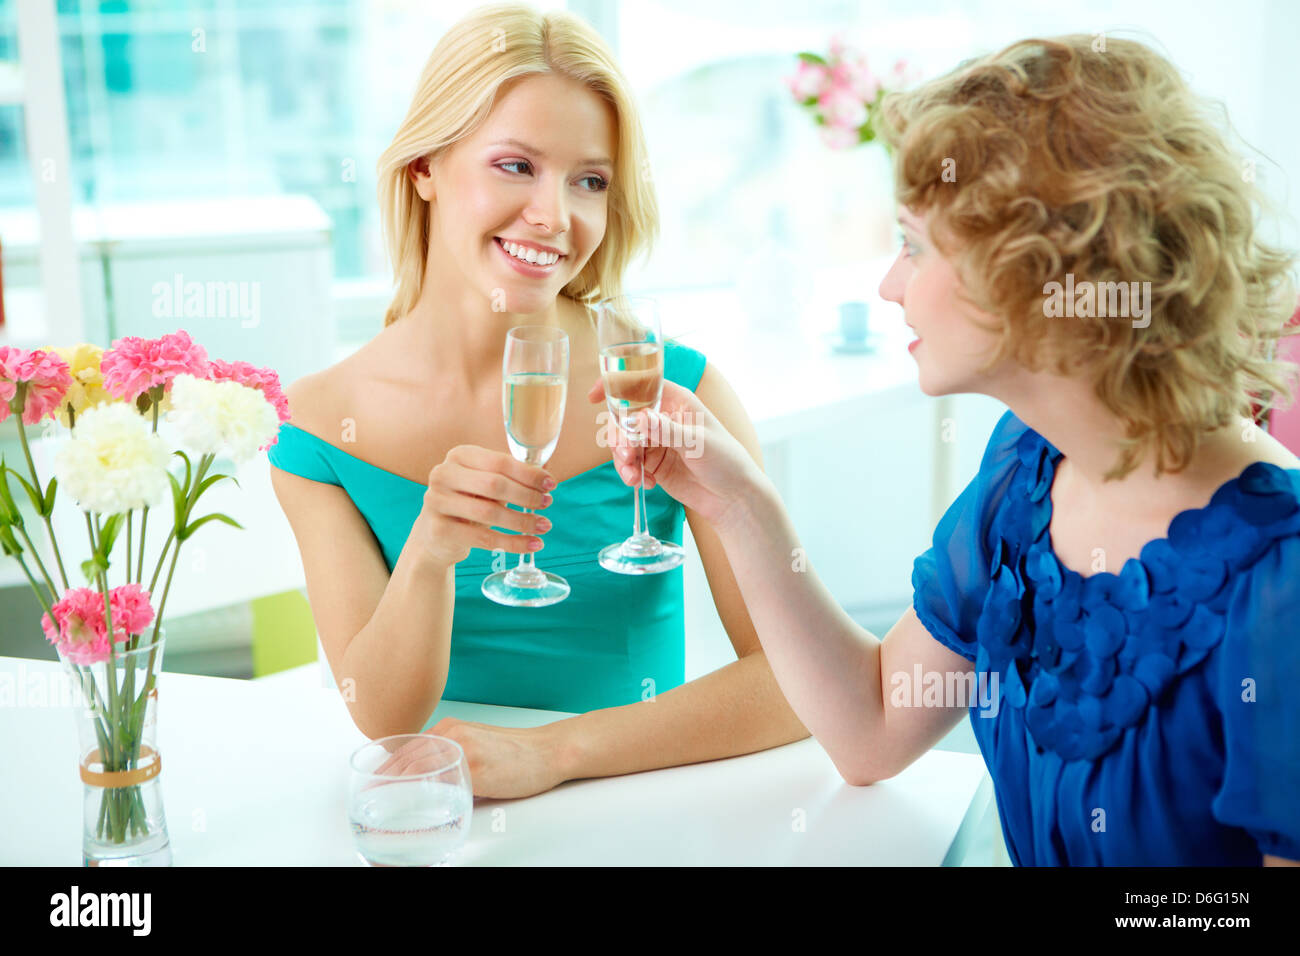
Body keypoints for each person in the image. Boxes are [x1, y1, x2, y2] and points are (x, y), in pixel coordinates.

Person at [596, 34, 1300, 865]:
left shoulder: (1278, 581)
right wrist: (736, 501)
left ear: (1041, 269)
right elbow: (873, 728)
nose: (890, 284)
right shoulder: (1028, 471)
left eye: (915, 244)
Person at [267, 3, 809, 799]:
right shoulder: (316, 426)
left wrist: (553, 754)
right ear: (424, 167)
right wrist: (428, 553)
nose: (555, 217)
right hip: (446, 819)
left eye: (589, 180)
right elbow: (381, 716)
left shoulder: (674, 390)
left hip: (642, 810)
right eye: (515, 166)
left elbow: (798, 682)